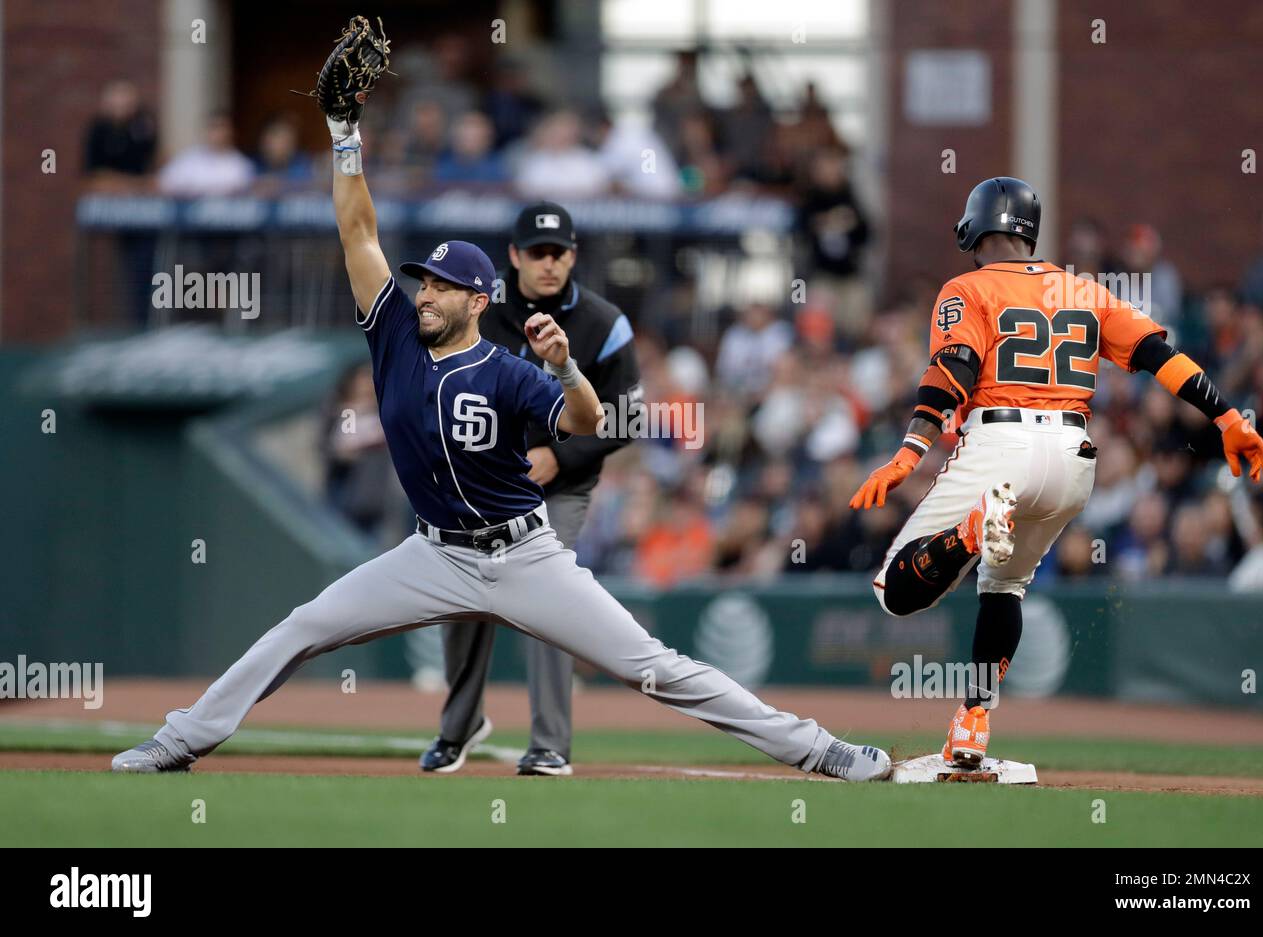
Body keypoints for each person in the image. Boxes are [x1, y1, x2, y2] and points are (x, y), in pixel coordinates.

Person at [110, 55, 889, 784]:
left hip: (524, 556)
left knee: (657, 668)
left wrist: (565, 366)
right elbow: (358, 232)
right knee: (301, 626)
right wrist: (345, 136)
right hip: (429, 555)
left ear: (477, 300)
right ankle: (179, 739)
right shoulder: (392, 336)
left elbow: (585, 422)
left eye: (442, 286)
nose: (425, 294)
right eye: (424, 282)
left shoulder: (511, 369)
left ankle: (820, 748)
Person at [849, 177, 1263, 768]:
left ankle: (972, 533)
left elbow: (956, 367)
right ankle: (972, 724)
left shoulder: (966, 287)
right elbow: (1159, 356)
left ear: (973, 230)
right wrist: (1227, 415)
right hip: (1074, 456)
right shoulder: (1084, 289)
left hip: (1001, 443)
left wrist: (910, 451)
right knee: (1002, 586)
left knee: (896, 591)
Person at [421, 201, 641, 777]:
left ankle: (549, 744)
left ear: (572, 256)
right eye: (536, 252)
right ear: (513, 256)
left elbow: (628, 419)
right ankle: (460, 724)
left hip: (559, 487)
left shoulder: (603, 322)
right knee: (459, 601)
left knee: (548, 602)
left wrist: (557, 454)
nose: (548, 263)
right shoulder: (480, 310)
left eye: (558, 252)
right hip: (482, 485)